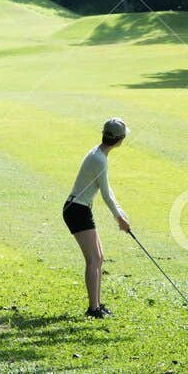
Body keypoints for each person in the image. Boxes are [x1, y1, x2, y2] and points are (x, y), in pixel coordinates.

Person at [63, 117, 132, 319]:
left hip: (80, 208)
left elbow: (107, 189)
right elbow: (105, 194)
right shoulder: (99, 159)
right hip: (77, 210)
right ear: (120, 139)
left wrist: (120, 212)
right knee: (93, 259)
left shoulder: (99, 154)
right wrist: (119, 218)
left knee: (98, 257)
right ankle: (93, 308)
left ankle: (97, 304)